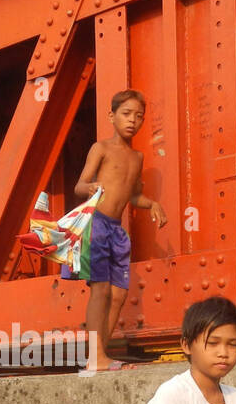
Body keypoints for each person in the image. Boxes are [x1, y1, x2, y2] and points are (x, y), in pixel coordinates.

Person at [66, 89, 167, 373]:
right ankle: (97, 357)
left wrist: (153, 204)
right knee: (99, 291)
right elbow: (79, 186)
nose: (132, 120)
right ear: (111, 116)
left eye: (139, 116)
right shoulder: (101, 148)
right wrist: (91, 188)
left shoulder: (137, 157)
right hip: (96, 224)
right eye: (126, 114)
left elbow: (134, 196)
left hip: (116, 230)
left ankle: (98, 357)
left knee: (119, 294)